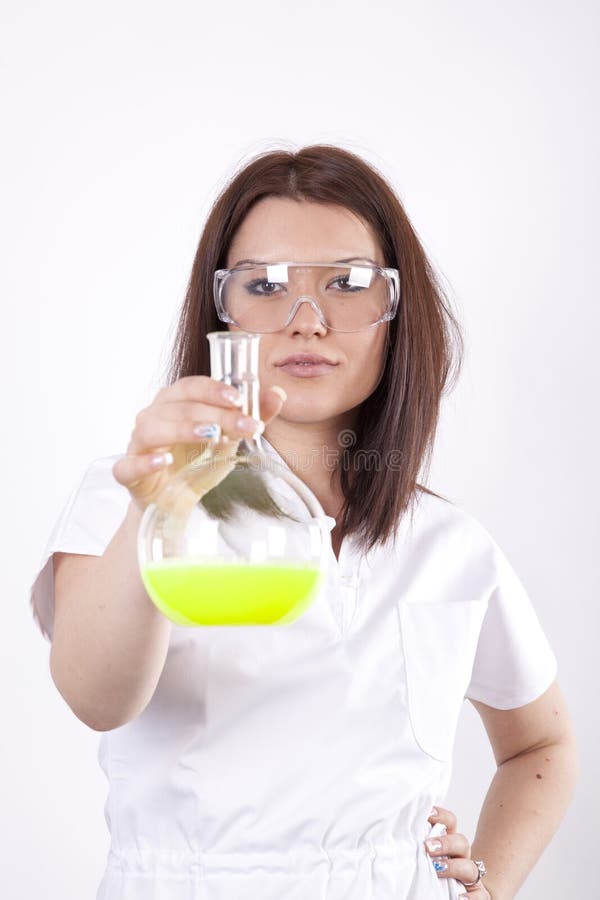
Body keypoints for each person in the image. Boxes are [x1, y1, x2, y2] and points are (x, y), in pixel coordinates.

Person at [29, 144, 578, 900]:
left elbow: (542, 745)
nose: (306, 321)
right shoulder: (134, 493)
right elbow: (95, 697)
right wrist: (162, 499)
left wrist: (487, 880)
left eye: (349, 284)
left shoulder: (449, 545)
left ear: (397, 309)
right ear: (221, 309)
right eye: (263, 285)